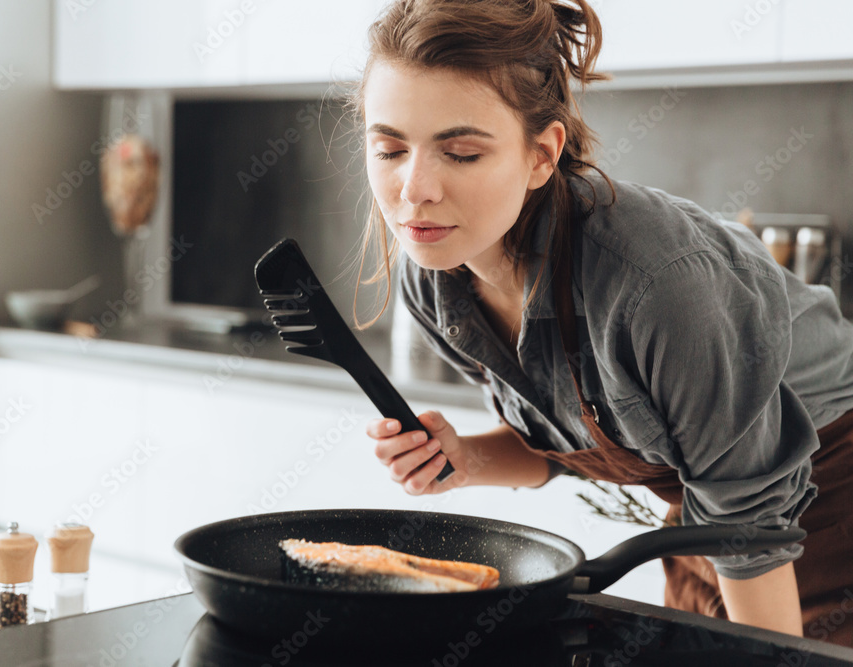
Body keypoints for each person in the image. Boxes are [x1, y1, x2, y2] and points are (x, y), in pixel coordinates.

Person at [354, 0, 853, 646]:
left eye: (462, 153)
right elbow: (567, 449)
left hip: (828, 491)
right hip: (706, 511)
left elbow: (750, 526)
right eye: (389, 147)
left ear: (542, 154)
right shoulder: (437, 278)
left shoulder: (654, 286)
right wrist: (465, 457)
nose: (413, 189)